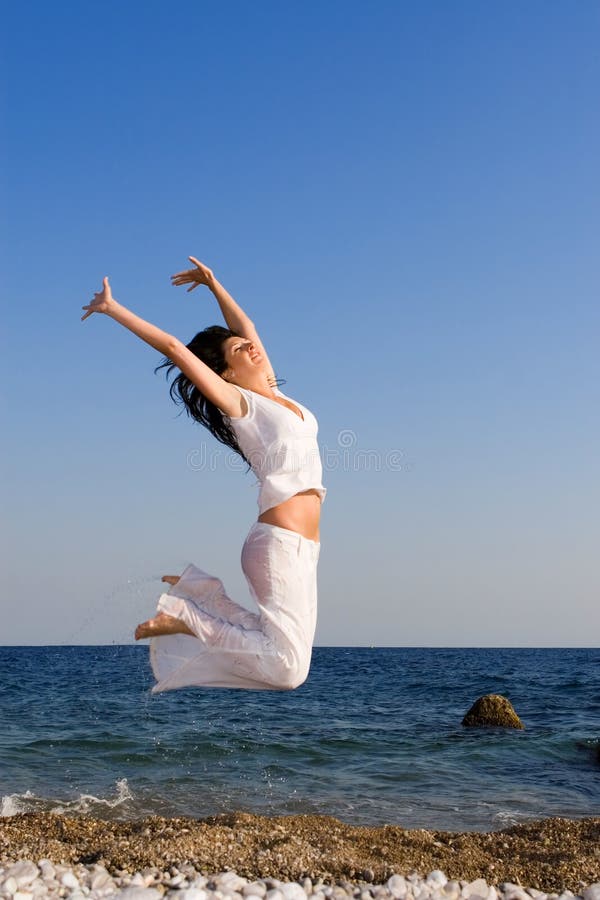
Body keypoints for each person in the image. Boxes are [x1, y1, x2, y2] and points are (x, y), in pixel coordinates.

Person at [82, 258, 326, 693]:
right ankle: (188, 615)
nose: (251, 347)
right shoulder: (242, 405)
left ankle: (203, 594)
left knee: (288, 658)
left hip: (305, 548)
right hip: (277, 545)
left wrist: (215, 284)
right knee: (288, 670)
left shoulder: (276, 394)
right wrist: (113, 309)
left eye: (246, 344)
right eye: (238, 350)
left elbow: (245, 323)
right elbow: (176, 349)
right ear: (226, 374)